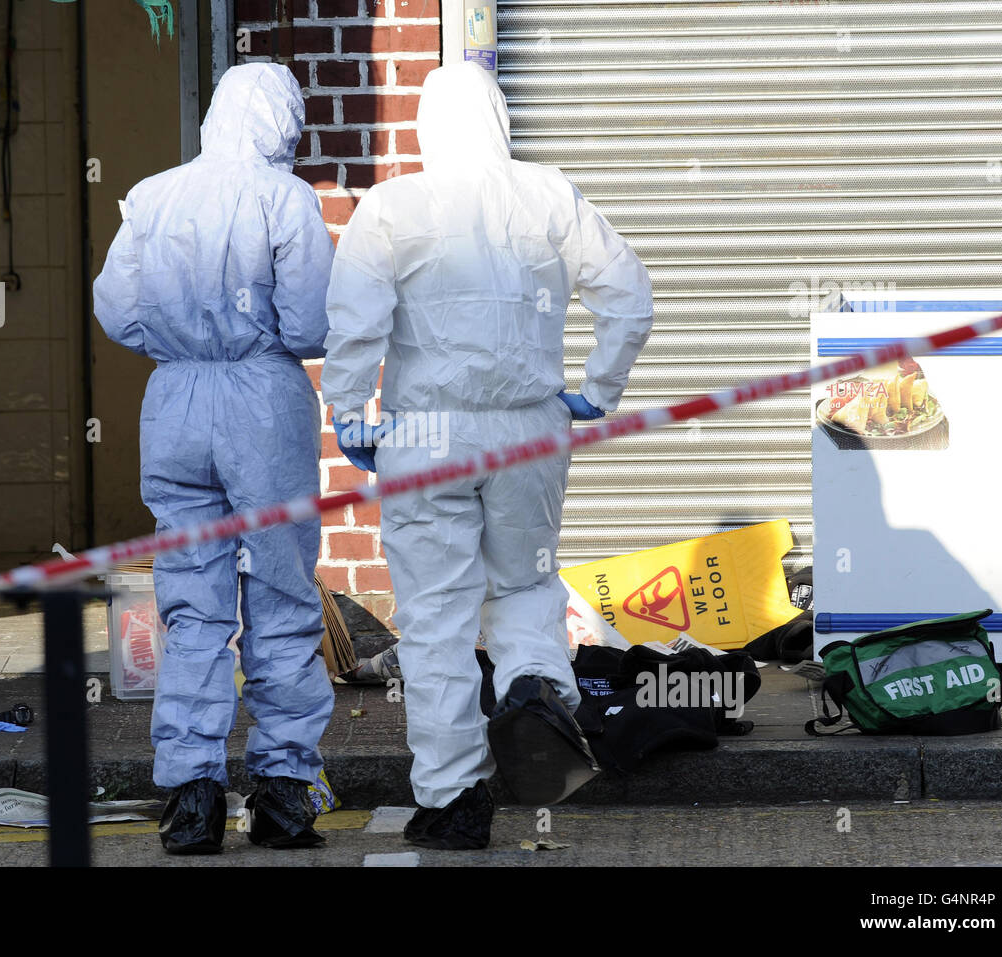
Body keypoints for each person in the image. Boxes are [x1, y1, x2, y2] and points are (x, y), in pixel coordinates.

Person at [320, 62, 654, 850]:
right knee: (526, 585)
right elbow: (630, 298)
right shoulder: (548, 195)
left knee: (436, 619)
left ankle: (455, 800)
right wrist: (596, 392)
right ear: (499, 118)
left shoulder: (394, 206)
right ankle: (534, 686)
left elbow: (355, 320)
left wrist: (348, 410)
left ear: (426, 128)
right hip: (530, 428)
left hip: (426, 433)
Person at [94, 62, 336, 854]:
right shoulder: (286, 199)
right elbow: (309, 324)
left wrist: (180, 345)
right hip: (261, 402)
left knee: (191, 600)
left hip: (172, 402)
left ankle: (192, 797)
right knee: (281, 594)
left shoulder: (153, 195)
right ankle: (283, 793)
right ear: (279, 122)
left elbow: (117, 312)